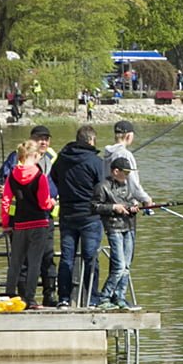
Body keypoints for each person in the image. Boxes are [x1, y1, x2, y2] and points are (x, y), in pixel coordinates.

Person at [51, 125, 106, 308]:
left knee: (67, 258)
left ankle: (64, 298)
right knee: (90, 258)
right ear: (91, 140)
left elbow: (54, 179)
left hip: (67, 215)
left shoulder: (61, 159)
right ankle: (92, 298)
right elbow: (103, 187)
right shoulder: (96, 162)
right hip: (90, 216)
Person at [1, 139, 55, 309]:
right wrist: (52, 203)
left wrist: (6, 223)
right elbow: (44, 203)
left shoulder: (12, 175)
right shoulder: (40, 176)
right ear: (34, 155)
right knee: (34, 263)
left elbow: (6, 201)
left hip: (19, 224)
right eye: (39, 155)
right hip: (39, 223)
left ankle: (9, 294)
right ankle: (30, 299)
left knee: (15, 262)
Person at [91, 156, 148, 310]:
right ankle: (104, 297)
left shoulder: (128, 186)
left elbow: (130, 202)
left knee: (127, 267)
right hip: (114, 228)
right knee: (119, 266)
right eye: (126, 172)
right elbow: (94, 206)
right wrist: (113, 208)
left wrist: (133, 207)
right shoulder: (102, 186)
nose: (128, 175)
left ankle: (119, 297)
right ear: (116, 171)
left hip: (129, 227)